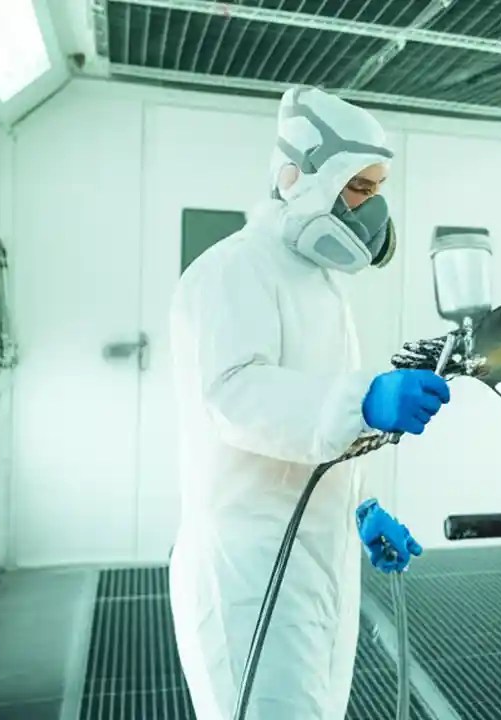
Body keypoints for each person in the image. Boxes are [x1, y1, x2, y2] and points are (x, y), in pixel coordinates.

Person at [167, 86, 450, 720]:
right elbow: (235, 397)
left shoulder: (319, 284)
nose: (372, 210)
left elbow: (311, 428)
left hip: (320, 556)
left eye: (377, 190)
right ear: (299, 177)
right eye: (359, 189)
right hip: (251, 567)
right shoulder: (231, 270)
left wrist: (361, 506)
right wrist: (366, 398)